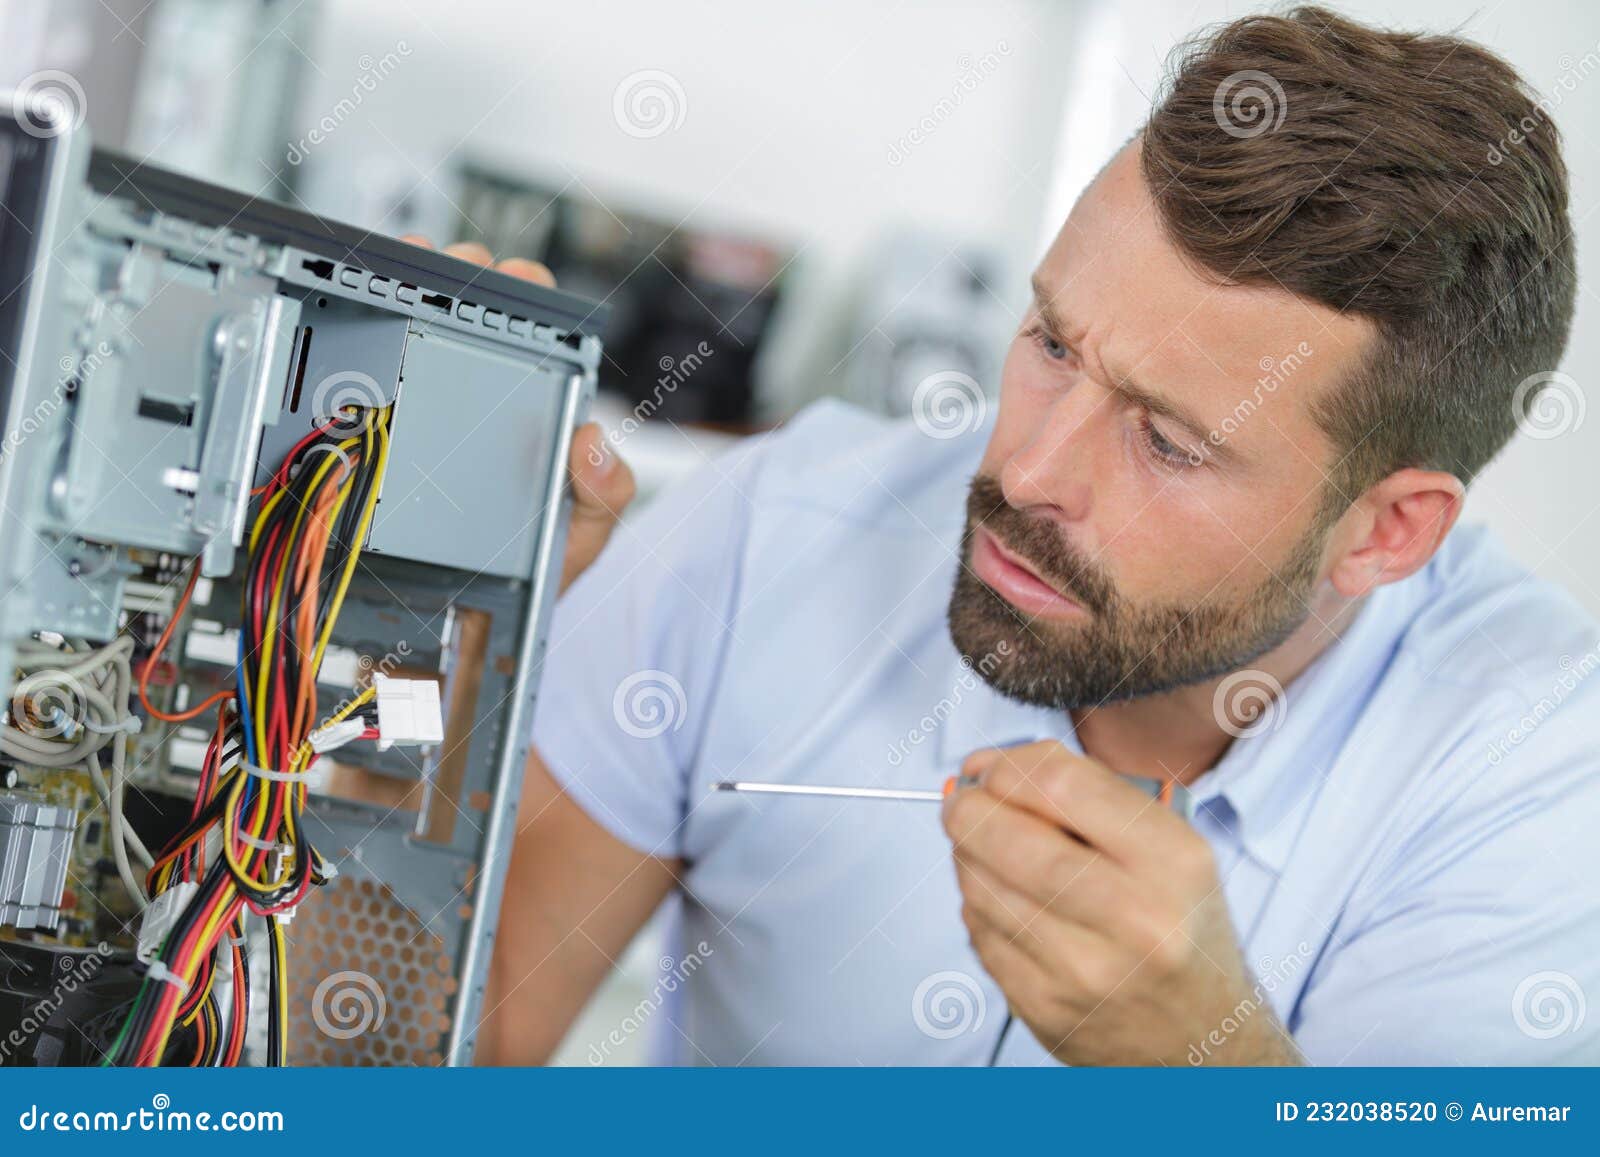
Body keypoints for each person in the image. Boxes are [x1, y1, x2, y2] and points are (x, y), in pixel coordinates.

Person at [435, 6, 1599, 1065]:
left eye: (1169, 442)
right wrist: (430, 642)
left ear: (1387, 531)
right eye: (1051, 343)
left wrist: (1198, 1075)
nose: (1026, 471)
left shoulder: (1534, 780)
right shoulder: (781, 527)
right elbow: (430, 1052)